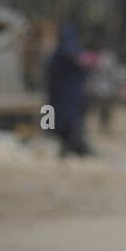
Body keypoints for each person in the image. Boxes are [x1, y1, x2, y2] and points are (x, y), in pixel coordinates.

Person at [46, 23, 91, 157]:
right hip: (62, 96)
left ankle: (72, 145)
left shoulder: (71, 51)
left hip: (71, 96)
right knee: (59, 119)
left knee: (70, 120)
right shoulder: (62, 53)